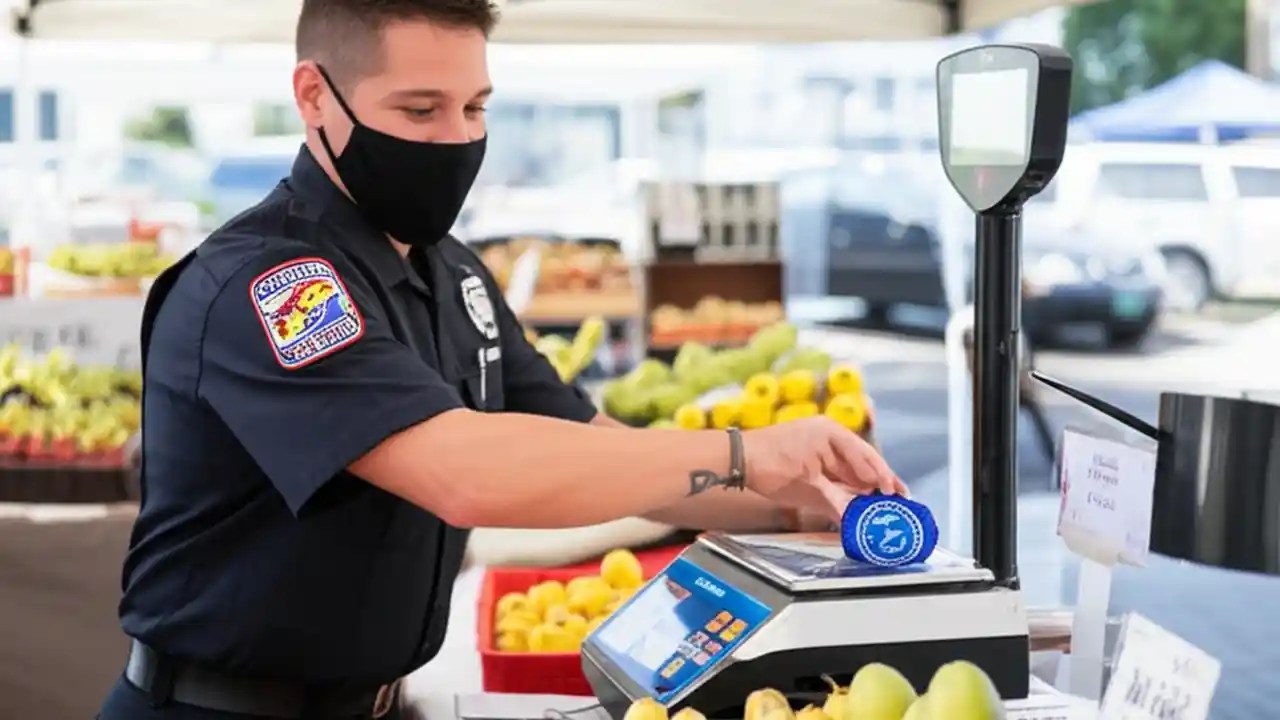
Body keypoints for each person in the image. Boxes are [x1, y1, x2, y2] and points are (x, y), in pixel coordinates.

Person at [97, 1, 907, 718]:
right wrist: (743, 453)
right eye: (419, 110)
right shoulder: (271, 285)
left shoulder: (452, 273)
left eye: (475, 107)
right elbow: (465, 474)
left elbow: (599, 450)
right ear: (315, 97)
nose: (457, 140)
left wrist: (793, 500)